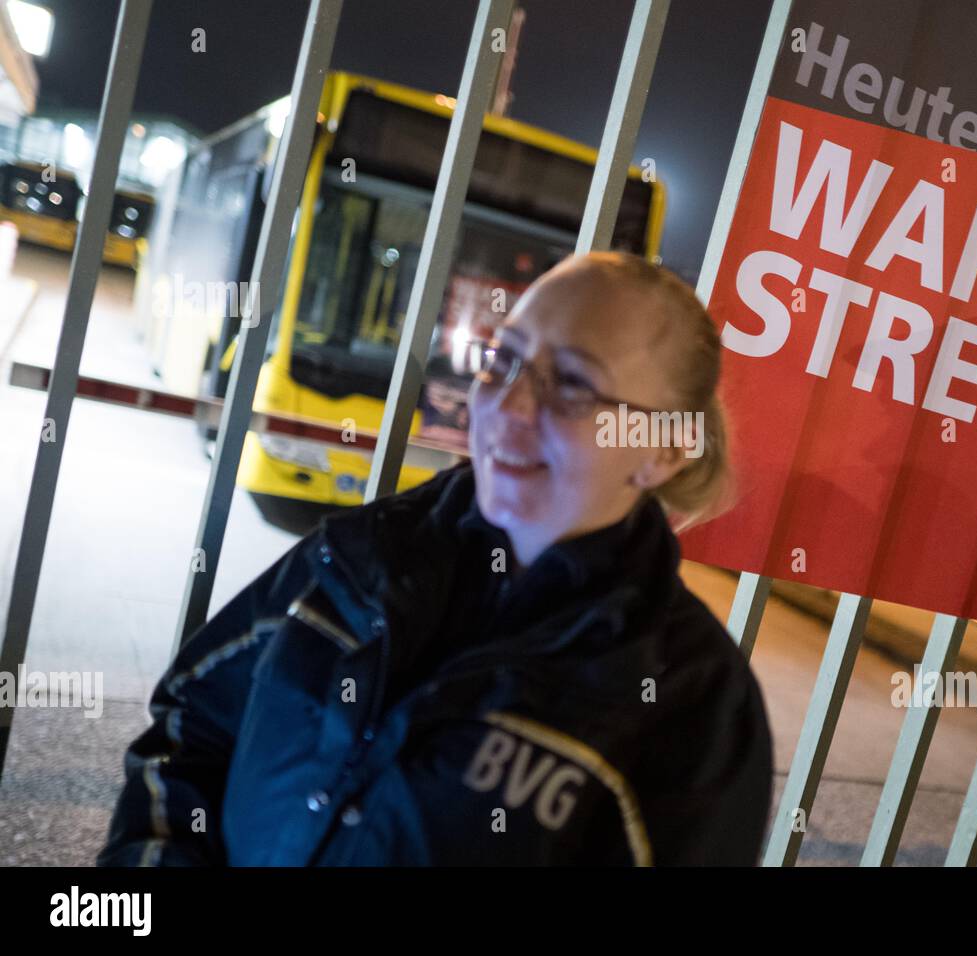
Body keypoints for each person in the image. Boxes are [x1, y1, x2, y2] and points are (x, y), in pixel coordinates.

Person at [97, 251, 775, 866]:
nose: (508, 405)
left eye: (572, 384)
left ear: (663, 448)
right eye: (502, 360)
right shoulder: (357, 558)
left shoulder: (694, 709)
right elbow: (192, 728)